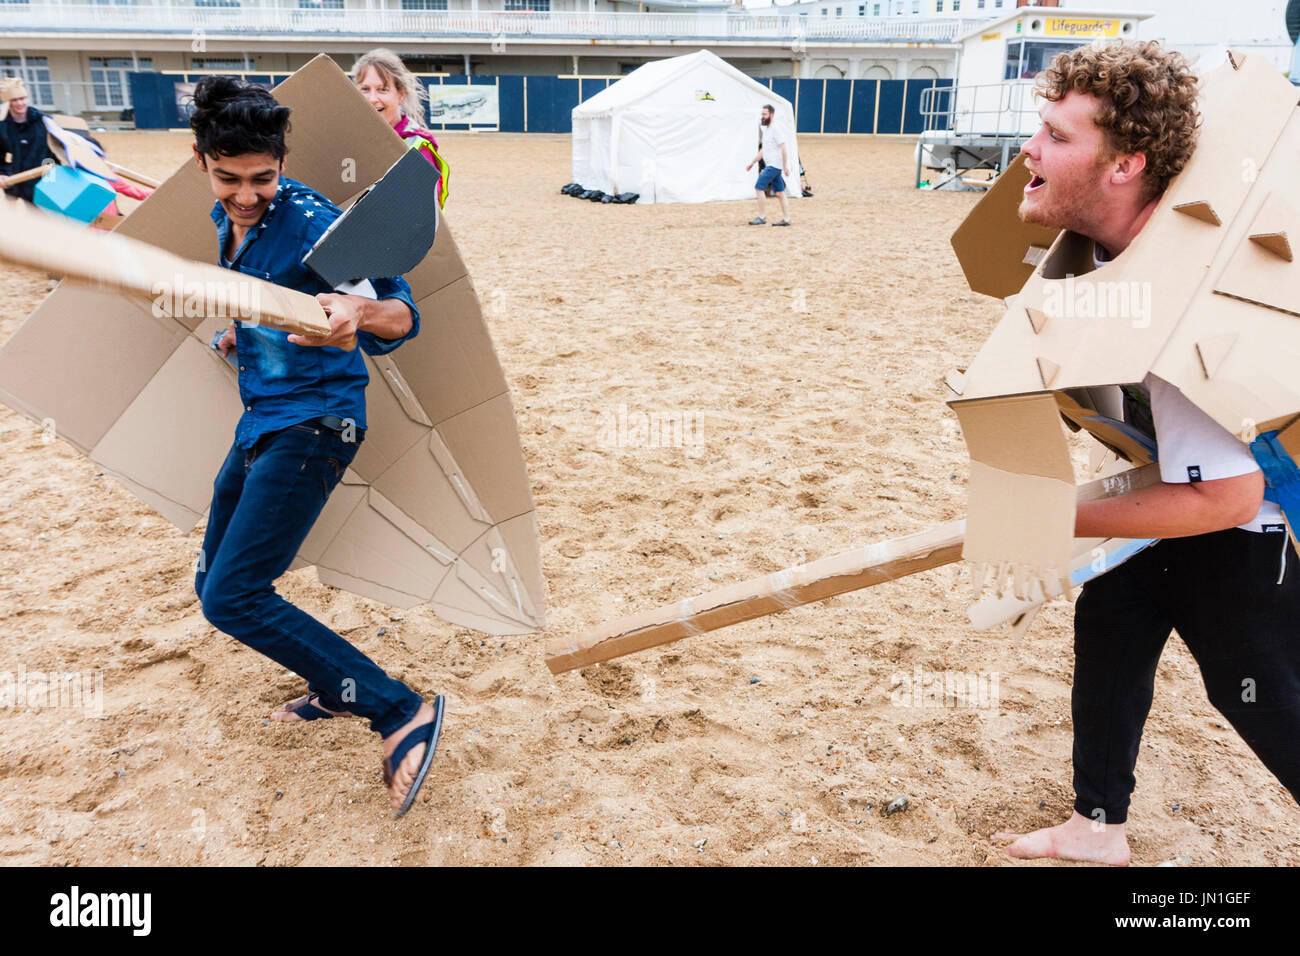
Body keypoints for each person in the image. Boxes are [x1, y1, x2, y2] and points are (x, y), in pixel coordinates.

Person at [987, 41, 1300, 865]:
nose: (1030, 149)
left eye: (1057, 136)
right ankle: (1097, 826)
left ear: (1126, 166)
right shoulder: (1114, 255)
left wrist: (1049, 515)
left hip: (1251, 523)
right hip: (1185, 482)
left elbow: (1225, 499)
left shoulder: (1174, 306)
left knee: (1263, 695)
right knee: (1115, 620)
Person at [188, 75, 444, 817]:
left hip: (318, 422)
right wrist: (248, 330)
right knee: (214, 587)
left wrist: (358, 309)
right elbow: (270, 297)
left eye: (262, 179)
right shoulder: (226, 217)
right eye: (228, 178)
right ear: (200, 159)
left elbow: (402, 315)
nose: (245, 195)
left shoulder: (312, 223)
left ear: (284, 161)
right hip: (262, 419)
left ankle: (398, 710)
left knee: (234, 598)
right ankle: (336, 686)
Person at [352, 49, 450, 208]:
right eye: (365, 89)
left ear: (400, 95)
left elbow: (424, 212)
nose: (372, 99)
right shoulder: (348, 138)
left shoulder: (417, 146)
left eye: (382, 89)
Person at [0, 75, 56, 203]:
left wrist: (49, 177)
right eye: (14, 100)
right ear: (8, 103)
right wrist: (2, 173)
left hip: (42, 181)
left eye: (22, 98)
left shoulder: (44, 122)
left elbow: (54, 152)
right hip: (14, 181)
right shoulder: (2, 126)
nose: (20, 103)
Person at [745, 103, 791, 227]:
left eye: (765, 114)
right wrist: (753, 162)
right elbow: (763, 150)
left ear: (771, 114)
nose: (762, 116)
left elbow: (784, 147)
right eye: (762, 114)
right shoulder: (766, 130)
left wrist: (785, 166)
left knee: (758, 187)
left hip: (773, 166)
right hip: (774, 166)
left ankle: (762, 216)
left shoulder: (775, 129)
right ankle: (786, 219)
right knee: (780, 193)